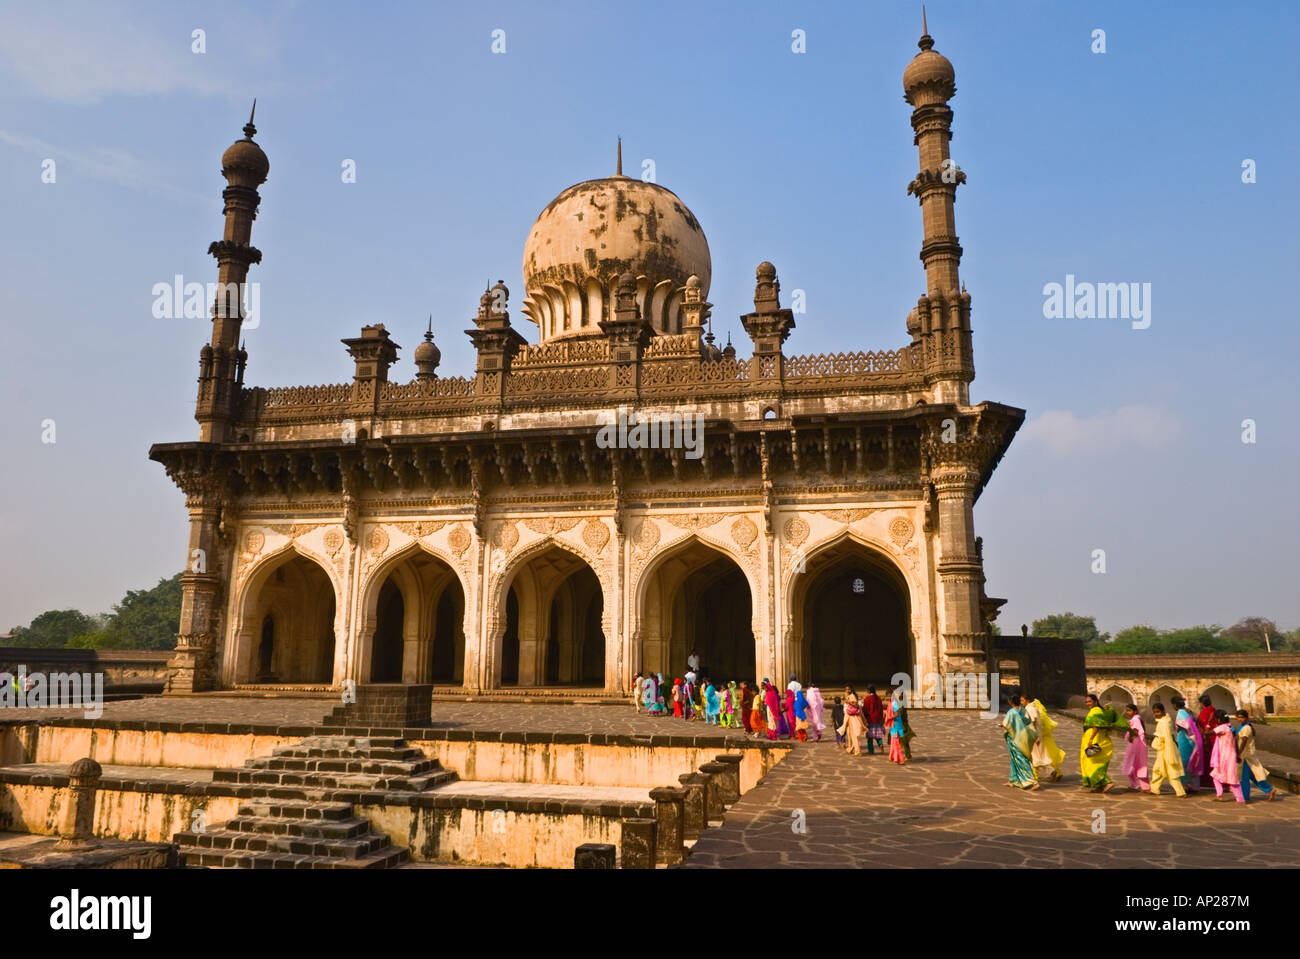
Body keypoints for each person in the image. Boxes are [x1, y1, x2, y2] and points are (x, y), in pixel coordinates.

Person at [1079, 693, 1123, 792]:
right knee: (1094, 760)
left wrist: (1091, 739)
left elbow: (1096, 726)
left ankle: (1106, 782)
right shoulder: (1100, 710)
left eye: (1089, 701)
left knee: (1091, 762)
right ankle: (1099, 786)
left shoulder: (1095, 711)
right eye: (1086, 702)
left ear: (1095, 701)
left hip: (1094, 737)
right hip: (1098, 736)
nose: (1087, 703)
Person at [1234, 710, 1279, 802]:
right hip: (1247, 755)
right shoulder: (1242, 727)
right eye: (1238, 717)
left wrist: (1239, 754)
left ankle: (1245, 796)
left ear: (1246, 718)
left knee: (1243, 777)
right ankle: (1269, 789)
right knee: (1254, 776)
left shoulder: (1246, 728)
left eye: (1242, 717)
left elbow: (1244, 741)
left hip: (1245, 756)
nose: (1240, 719)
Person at [1022, 694, 1064, 782]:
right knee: (1039, 756)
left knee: (1035, 757)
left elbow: (1033, 721)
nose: (1021, 702)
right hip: (1037, 735)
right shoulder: (1034, 707)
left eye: (1022, 700)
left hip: (1034, 736)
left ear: (1027, 700)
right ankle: (1053, 771)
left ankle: (1037, 777)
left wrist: (1033, 735)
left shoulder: (1029, 709)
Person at [1147, 702, 1186, 797]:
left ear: (1163, 711)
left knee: (1165, 770)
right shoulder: (1166, 720)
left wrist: (1163, 747)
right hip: (1165, 748)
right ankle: (1155, 788)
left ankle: (1180, 792)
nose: (1157, 714)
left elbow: (1166, 737)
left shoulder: (1164, 722)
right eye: (1155, 712)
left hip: (1165, 749)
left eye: (1158, 712)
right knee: (1161, 770)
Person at [1002, 695, 1040, 789]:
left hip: (1015, 738)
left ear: (1011, 702)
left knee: (1020, 759)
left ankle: (1032, 781)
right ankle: (1014, 779)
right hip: (1024, 736)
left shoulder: (1012, 712)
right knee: (1014, 758)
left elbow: (1006, 724)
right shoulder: (1023, 710)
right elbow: (1028, 721)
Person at [1208, 709, 1244, 803]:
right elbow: (1235, 741)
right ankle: (1221, 795)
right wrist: (1238, 754)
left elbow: (1207, 733)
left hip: (1225, 756)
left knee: (1231, 778)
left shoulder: (1222, 727)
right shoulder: (1230, 727)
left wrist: (1209, 722)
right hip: (1230, 754)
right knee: (1218, 775)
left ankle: (1239, 798)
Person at [1171, 696, 1205, 794]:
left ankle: (1185, 786)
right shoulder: (1187, 712)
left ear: (1174, 705)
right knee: (1193, 762)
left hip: (1185, 741)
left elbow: (1187, 726)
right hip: (1192, 741)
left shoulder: (1181, 713)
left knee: (1184, 763)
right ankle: (1194, 786)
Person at [1121, 703, 1150, 791]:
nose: (1127, 712)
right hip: (1137, 744)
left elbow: (1136, 732)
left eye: (1129, 710)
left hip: (1135, 744)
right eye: (1127, 711)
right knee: (1138, 764)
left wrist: (1128, 727)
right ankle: (1143, 786)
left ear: (1135, 711)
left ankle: (1136, 784)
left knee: (1133, 764)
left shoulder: (1136, 720)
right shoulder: (1137, 719)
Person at [1197, 695, 1218, 789]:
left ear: (1201, 703)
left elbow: (1202, 725)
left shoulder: (1206, 712)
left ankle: (1209, 781)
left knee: (1208, 761)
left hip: (1209, 740)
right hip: (1215, 738)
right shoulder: (1213, 710)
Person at [839, 690, 866, 755]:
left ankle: (857, 750)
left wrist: (850, 702)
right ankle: (851, 748)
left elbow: (856, 705)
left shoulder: (853, 700)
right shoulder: (848, 700)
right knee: (851, 735)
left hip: (854, 720)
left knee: (854, 736)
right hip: (849, 720)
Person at [886, 688, 908, 764]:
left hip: (896, 726)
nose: (889, 697)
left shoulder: (894, 703)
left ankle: (900, 758)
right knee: (893, 741)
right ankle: (892, 756)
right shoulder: (891, 703)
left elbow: (896, 714)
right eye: (888, 696)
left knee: (896, 742)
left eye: (890, 696)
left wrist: (889, 718)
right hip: (893, 726)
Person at [863, 686, 885, 755]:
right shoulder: (878, 698)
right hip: (878, 719)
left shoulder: (867, 698)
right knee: (877, 734)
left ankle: (871, 750)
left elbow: (865, 709)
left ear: (868, 691)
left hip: (870, 719)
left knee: (870, 736)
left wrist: (864, 717)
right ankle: (880, 744)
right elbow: (881, 709)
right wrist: (881, 718)